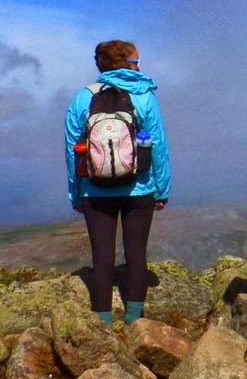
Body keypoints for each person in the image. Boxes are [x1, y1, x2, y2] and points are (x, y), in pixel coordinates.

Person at [64, 40, 171, 325]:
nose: (140, 65)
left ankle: (103, 321)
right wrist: (162, 189)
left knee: (102, 256)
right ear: (125, 64)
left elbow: (72, 149)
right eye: (136, 61)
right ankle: (136, 321)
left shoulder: (82, 98)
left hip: (95, 191)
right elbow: (157, 146)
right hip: (140, 188)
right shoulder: (145, 96)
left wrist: (76, 194)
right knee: (136, 253)